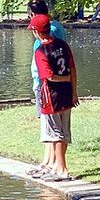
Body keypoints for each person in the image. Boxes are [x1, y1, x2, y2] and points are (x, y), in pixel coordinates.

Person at [28, 13, 78, 181]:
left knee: (55, 134)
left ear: (37, 32)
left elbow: (49, 76)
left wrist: (64, 79)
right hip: (66, 94)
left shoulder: (41, 51)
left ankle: (62, 170)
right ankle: (58, 167)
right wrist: (73, 89)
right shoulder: (63, 45)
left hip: (51, 97)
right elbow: (72, 68)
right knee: (64, 131)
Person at [27, 0, 67, 178]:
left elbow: (47, 70)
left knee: (51, 127)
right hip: (57, 86)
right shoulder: (57, 28)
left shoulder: (45, 41)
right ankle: (48, 161)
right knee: (52, 127)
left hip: (46, 87)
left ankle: (56, 166)